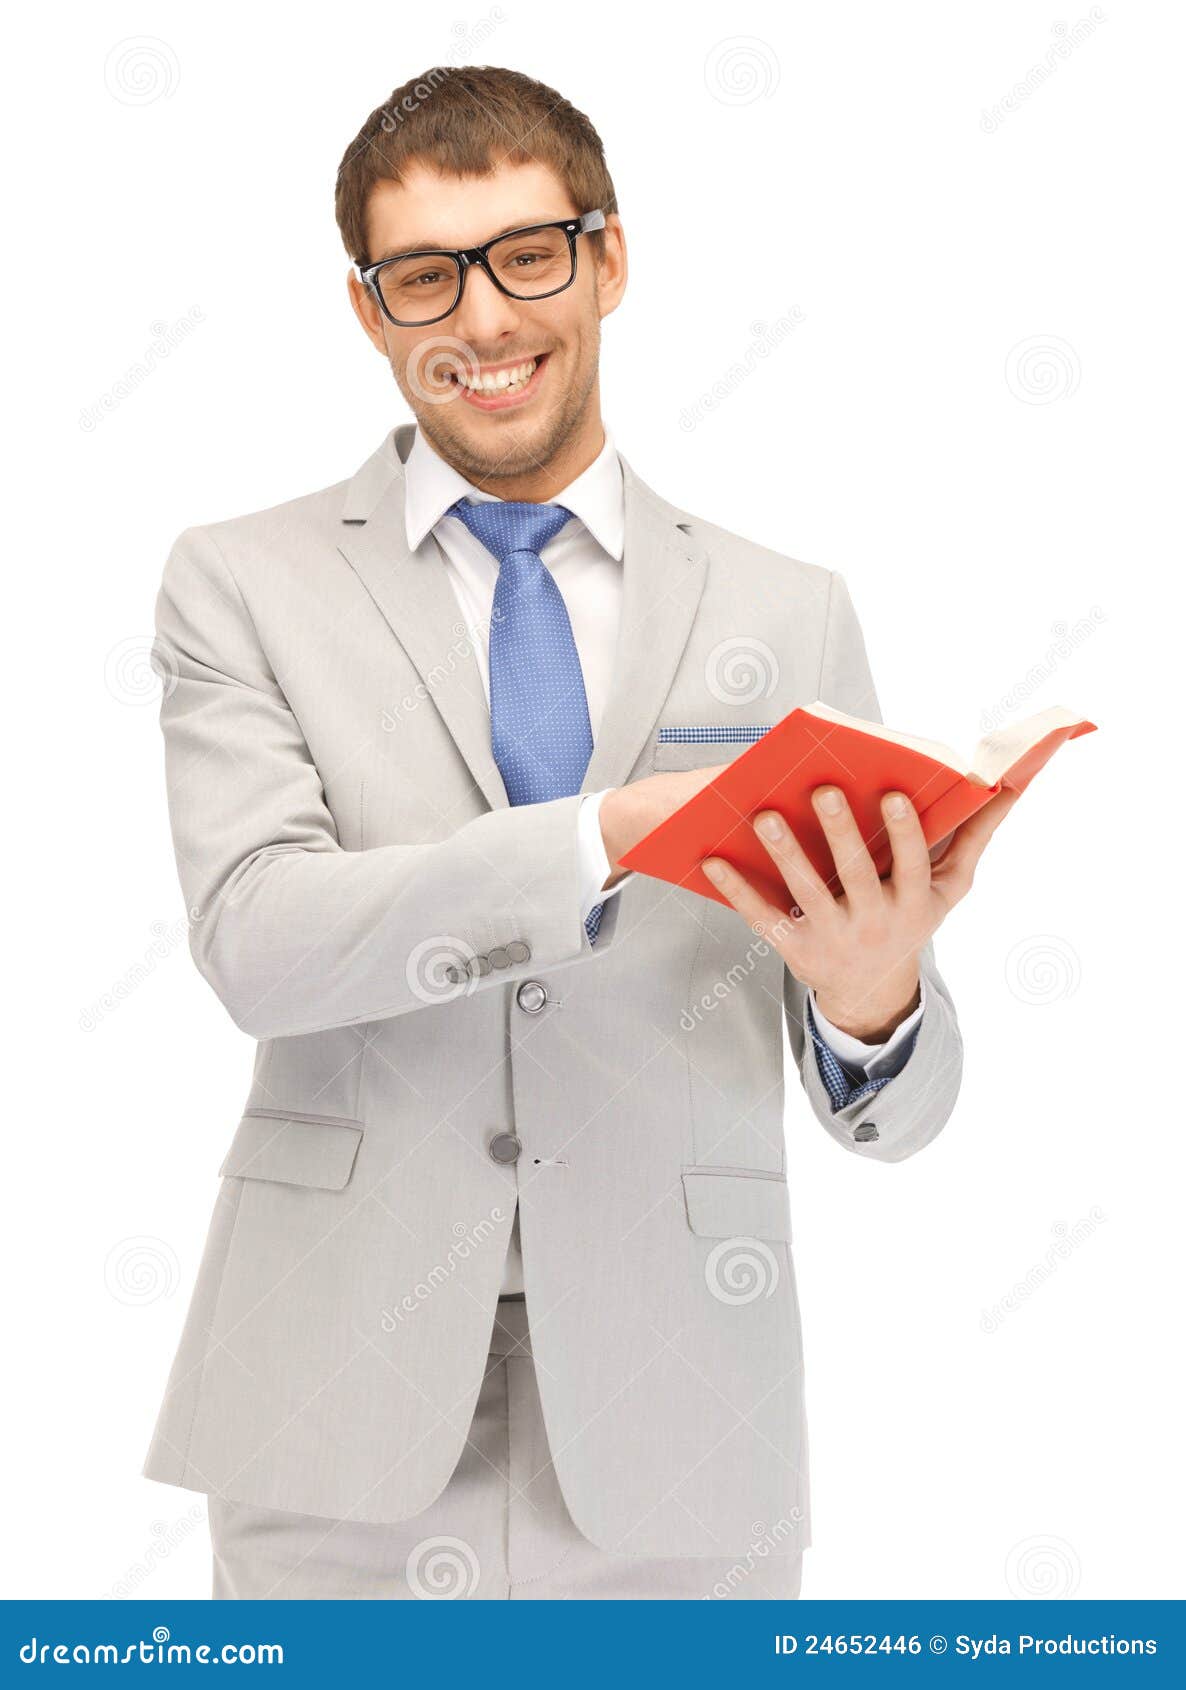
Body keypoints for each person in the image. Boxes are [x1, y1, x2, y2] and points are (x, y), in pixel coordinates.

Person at [144, 65, 1017, 1600]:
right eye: (425, 275)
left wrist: (870, 1001)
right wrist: (599, 835)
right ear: (368, 310)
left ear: (608, 260)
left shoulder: (784, 610)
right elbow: (258, 943)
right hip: (327, 1410)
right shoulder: (240, 582)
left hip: (683, 1431)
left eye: (527, 255)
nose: (482, 319)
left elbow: (905, 1114)